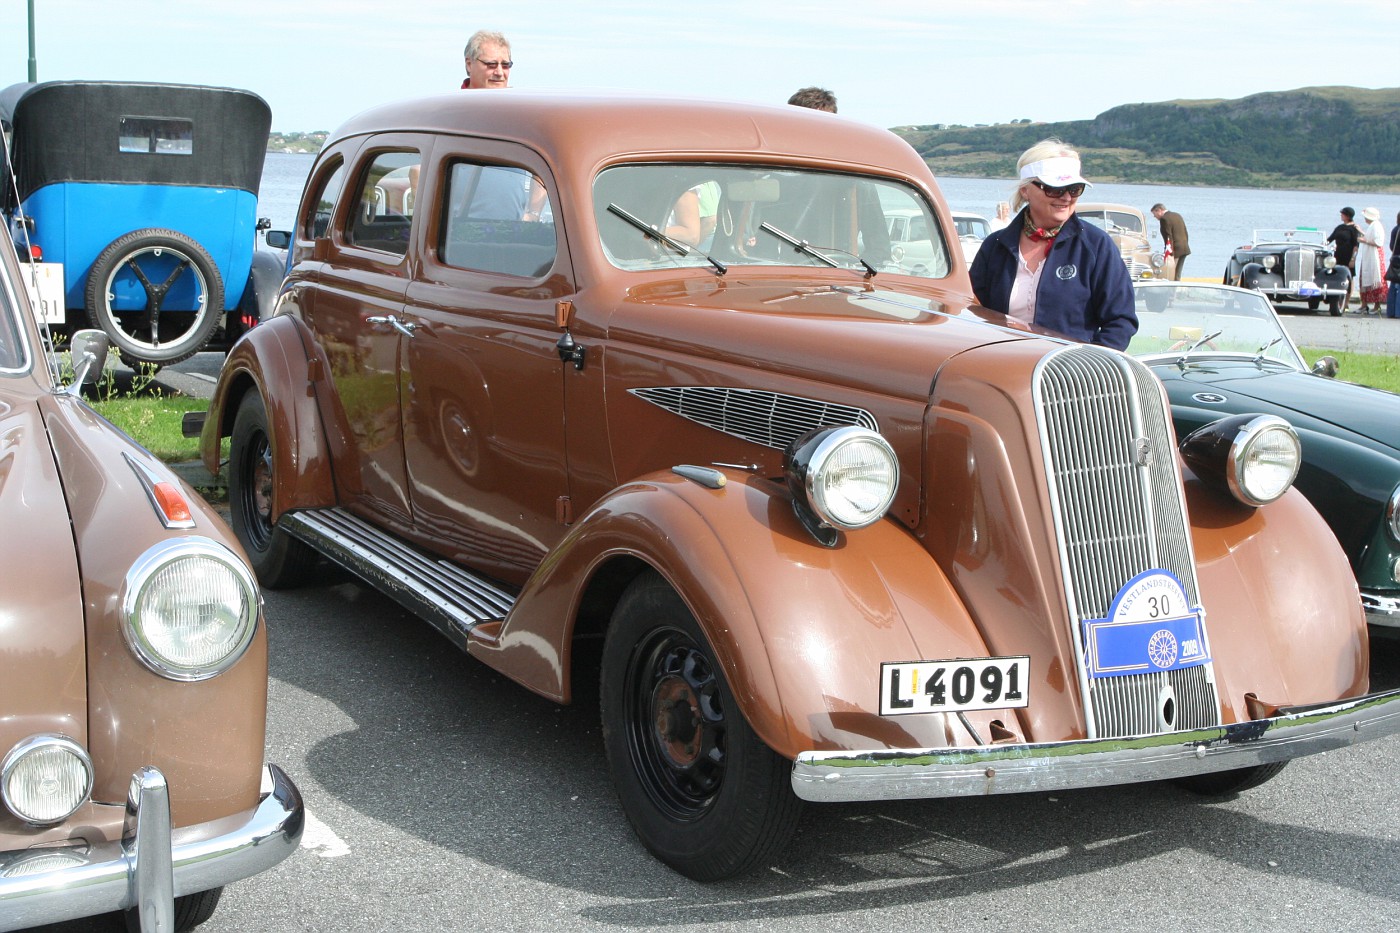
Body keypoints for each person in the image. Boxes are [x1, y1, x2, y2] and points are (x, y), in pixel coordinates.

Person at [968, 140, 1136, 350]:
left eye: (1075, 189)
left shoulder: (1096, 246)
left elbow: (1121, 321)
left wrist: (1088, 366)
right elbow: (972, 309)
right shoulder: (995, 245)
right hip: (1005, 367)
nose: (1066, 197)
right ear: (1025, 191)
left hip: (1070, 374)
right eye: (1055, 189)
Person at [1327, 207, 1361, 308]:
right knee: (1336, 276)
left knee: (1349, 278)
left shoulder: (1354, 228)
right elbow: (1330, 238)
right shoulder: (1340, 227)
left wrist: (1353, 259)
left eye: (1343, 214)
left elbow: (1356, 246)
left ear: (1347, 216)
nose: (1341, 215)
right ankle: (1335, 300)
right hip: (1338, 255)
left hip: (1348, 256)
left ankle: (1346, 303)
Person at [1356, 206, 1388, 313]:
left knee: (1376, 279)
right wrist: (1362, 232)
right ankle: (1364, 304)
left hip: (1375, 257)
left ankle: (1377, 306)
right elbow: (1370, 237)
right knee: (1364, 278)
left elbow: (1378, 242)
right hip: (1368, 257)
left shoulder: (1377, 226)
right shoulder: (1372, 226)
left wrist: (1364, 241)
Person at [1150, 203, 1190, 280]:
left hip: (1175, 249)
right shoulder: (1177, 215)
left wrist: (1169, 252)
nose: (1154, 216)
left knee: (1171, 273)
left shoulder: (1164, 219)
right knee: (1178, 273)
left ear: (1159, 210)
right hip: (1184, 247)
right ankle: (1176, 287)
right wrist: (1185, 244)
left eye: (1154, 214)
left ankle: (1173, 290)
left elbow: (1168, 236)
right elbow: (1185, 232)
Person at [1387, 210, 1400, 320]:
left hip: (1395, 259)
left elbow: (1391, 246)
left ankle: (1390, 311)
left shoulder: (1395, 229)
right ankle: (1398, 312)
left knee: (1393, 286)